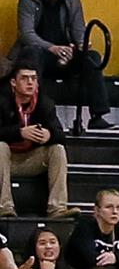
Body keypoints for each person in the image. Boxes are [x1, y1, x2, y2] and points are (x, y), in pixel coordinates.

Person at [10, 0, 113, 131]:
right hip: (42, 53)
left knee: (93, 57)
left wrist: (81, 45)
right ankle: (37, 115)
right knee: (32, 53)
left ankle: (98, 116)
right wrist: (52, 48)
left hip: (66, 53)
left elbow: (79, 31)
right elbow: (27, 35)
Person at [2, 61, 72, 218]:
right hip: (6, 159)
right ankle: (4, 206)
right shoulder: (2, 102)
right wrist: (19, 133)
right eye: (24, 78)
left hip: (31, 159)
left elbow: (61, 135)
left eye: (33, 78)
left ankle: (57, 208)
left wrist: (49, 135)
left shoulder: (45, 104)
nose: (30, 82)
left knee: (57, 149)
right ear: (13, 82)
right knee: (0, 147)